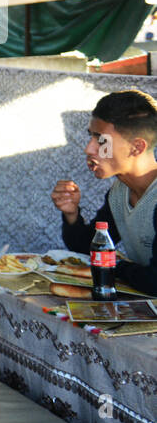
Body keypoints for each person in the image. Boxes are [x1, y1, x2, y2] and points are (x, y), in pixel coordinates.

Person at [52, 89, 157, 294]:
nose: (89, 149)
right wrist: (71, 214)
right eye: (91, 137)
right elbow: (88, 247)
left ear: (136, 147)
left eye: (101, 141)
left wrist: (112, 263)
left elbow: (155, 281)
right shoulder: (119, 193)